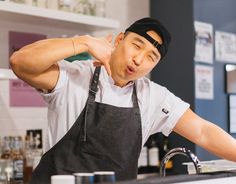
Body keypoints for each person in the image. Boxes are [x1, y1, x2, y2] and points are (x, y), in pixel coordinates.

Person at [10, 17, 236, 183]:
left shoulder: (153, 97)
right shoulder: (74, 77)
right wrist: (84, 42)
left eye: (151, 57)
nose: (138, 60)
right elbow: (20, 61)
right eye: (137, 45)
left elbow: (203, 131)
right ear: (119, 40)